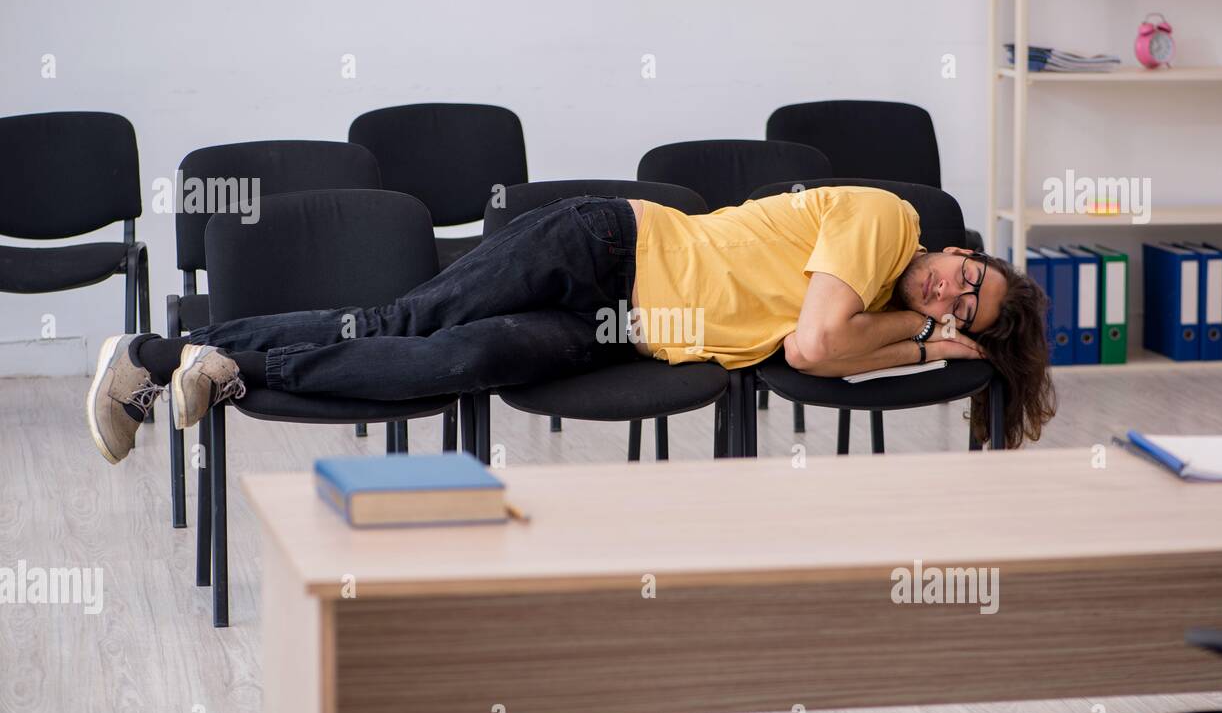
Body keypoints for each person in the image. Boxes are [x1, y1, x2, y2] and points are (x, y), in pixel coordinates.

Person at [86, 186, 1055, 464]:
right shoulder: (887, 223)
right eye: (969, 278)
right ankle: (154, 354)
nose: (951, 296)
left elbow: (830, 347)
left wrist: (913, 338)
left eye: (967, 312)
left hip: (621, 329)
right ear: (965, 248)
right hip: (605, 247)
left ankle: (221, 366)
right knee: (401, 314)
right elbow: (810, 350)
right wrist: (922, 344)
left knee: (448, 362)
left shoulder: (877, 307)